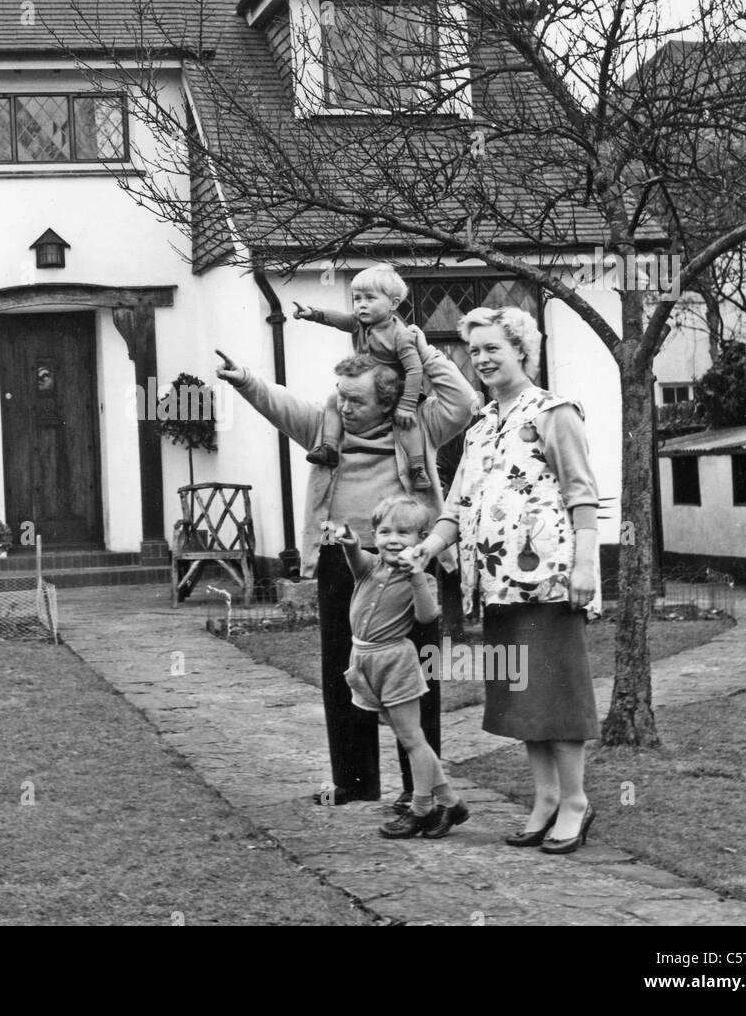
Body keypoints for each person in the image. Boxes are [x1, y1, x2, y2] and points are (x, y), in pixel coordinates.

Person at [215, 328, 475, 806]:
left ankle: (417, 789)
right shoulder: (327, 430)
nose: (345, 407)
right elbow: (282, 405)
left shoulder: (419, 423)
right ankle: (355, 783)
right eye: (341, 398)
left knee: (417, 674)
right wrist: (245, 379)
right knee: (345, 667)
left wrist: (418, 348)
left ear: (387, 400)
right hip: (344, 559)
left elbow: (464, 399)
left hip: (409, 558)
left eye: (356, 400)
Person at [399, 306, 600, 854]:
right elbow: (457, 505)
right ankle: (544, 799)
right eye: (476, 350)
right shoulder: (482, 424)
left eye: (494, 349)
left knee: (557, 695)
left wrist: (585, 566)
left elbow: (583, 496)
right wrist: (427, 548)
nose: (483, 359)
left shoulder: (553, 412)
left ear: (522, 351)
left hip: (549, 583)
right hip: (495, 584)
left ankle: (576, 802)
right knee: (522, 698)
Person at [331, 496, 470, 840]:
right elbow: (355, 555)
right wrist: (349, 543)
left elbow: (426, 616)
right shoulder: (370, 566)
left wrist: (418, 576)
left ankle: (421, 809)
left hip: (395, 663)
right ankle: (451, 803)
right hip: (365, 661)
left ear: (421, 540)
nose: (393, 539)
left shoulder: (419, 577)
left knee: (412, 740)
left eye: (404, 533)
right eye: (384, 531)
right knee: (409, 738)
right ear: (374, 535)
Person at [293, 264, 431, 489]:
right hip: (365, 387)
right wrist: (313, 314)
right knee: (333, 402)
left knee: (408, 421)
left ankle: (417, 467)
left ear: (393, 304)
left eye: (369, 298)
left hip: (396, 389)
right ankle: (328, 447)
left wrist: (406, 404)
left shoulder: (400, 334)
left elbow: (415, 370)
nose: (361, 304)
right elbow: (336, 319)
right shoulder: (358, 324)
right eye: (357, 299)